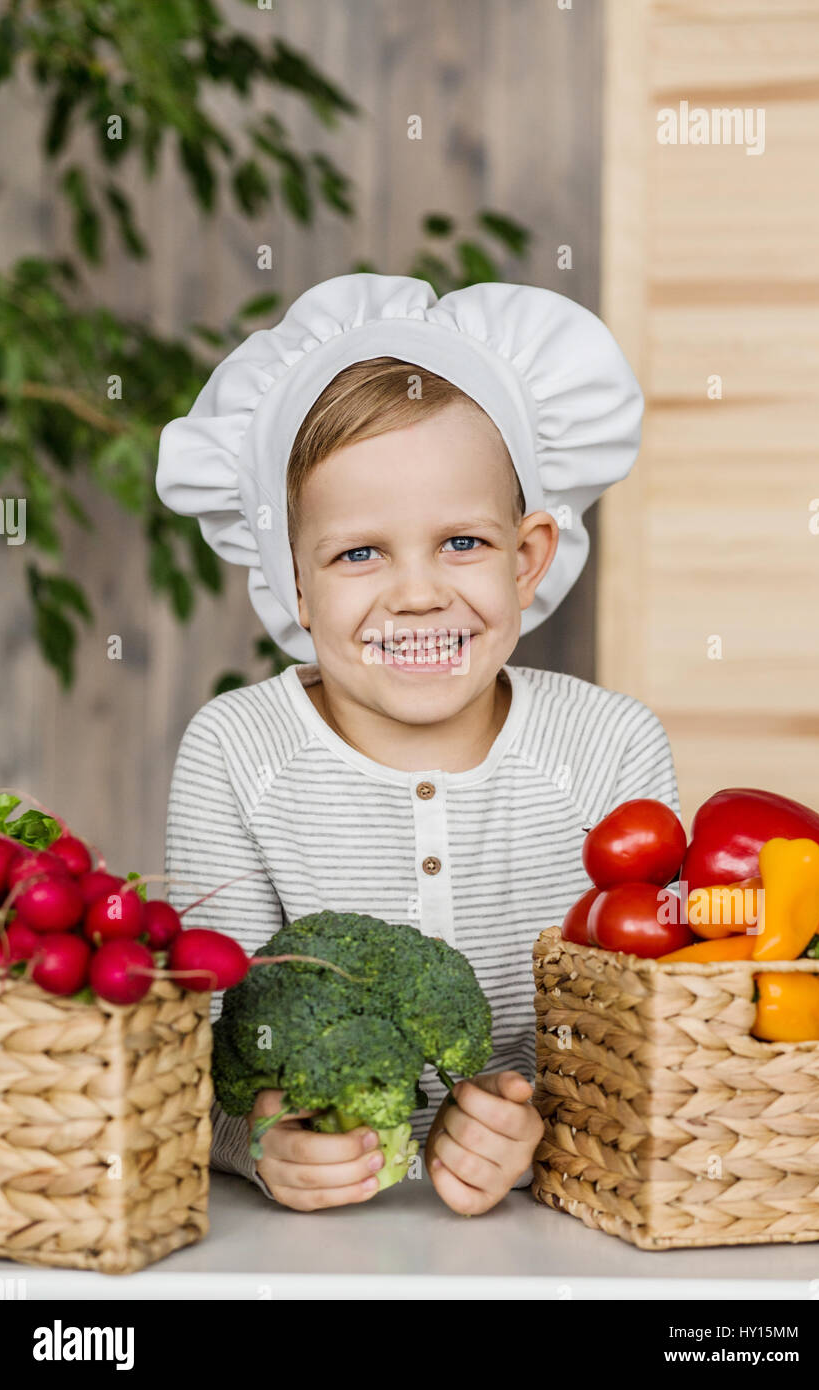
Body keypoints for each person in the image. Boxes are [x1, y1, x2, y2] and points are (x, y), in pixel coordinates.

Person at [156, 274, 680, 1214]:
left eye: (462, 543)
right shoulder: (236, 752)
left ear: (527, 559)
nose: (417, 593)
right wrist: (257, 1140)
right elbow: (191, 1052)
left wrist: (542, 1138)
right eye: (360, 553)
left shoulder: (610, 749)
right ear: (291, 586)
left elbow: (656, 1050)